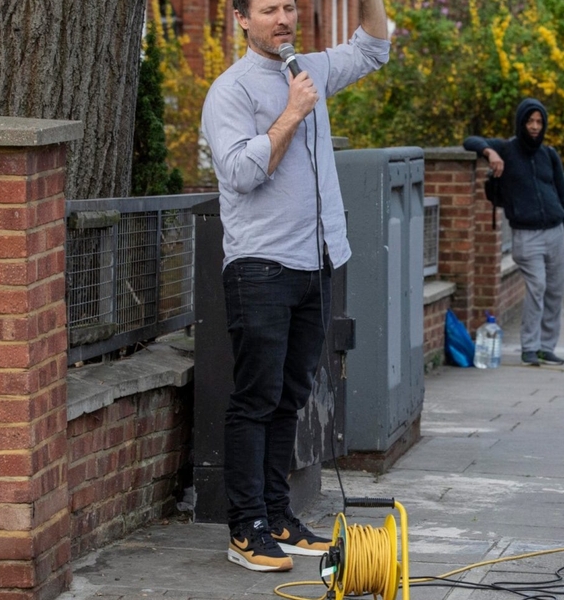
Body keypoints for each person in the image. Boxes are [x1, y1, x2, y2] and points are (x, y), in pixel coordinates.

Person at [202, 0, 389, 573]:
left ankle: (278, 516)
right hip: (260, 265)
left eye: (288, 7)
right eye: (267, 9)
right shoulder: (229, 91)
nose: (282, 18)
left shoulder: (307, 66)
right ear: (240, 19)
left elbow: (371, 48)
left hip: (317, 260)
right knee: (255, 398)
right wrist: (293, 110)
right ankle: (246, 528)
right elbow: (237, 173)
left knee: (291, 395)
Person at [463, 99, 564, 366]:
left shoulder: (549, 154)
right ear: (521, 123)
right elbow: (470, 140)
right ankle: (529, 347)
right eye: (530, 121)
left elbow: (563, 194)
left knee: (555, 290)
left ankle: (546, 347)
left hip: (555, 231)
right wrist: (490, 153)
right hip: (526, 236)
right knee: (537, 286)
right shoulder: (507, 149)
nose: (535, 126)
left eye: (539, 122)